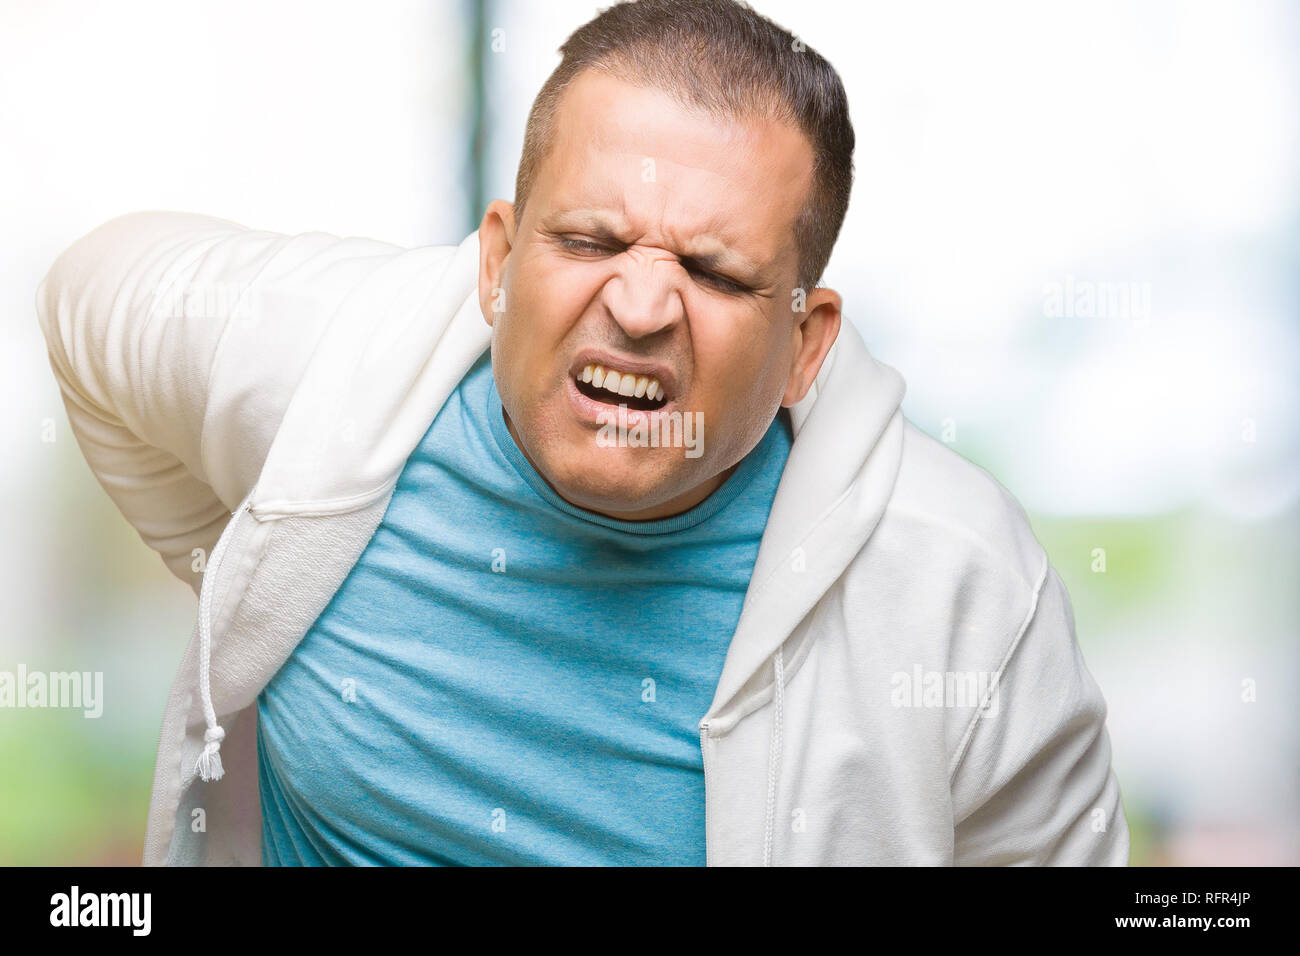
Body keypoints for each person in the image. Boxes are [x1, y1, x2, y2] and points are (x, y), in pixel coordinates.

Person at [36, 0, 1128, 865]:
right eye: (590, 238)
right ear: (498, 261)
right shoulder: (313, 362)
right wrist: (246, 577)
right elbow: (86, 299)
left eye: (713, 271)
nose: (643, 307)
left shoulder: (959, 580)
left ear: (808, 341)